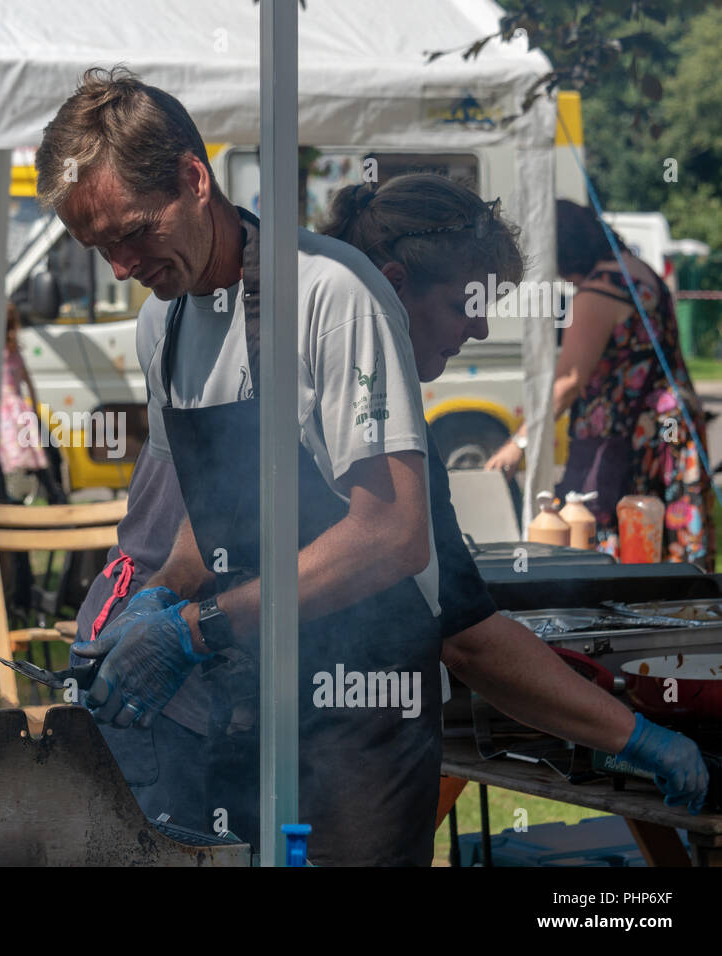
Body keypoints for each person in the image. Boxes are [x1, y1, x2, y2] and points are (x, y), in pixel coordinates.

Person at [38, 70, 709, 864]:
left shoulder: (329, 298)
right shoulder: (168, 323)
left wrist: (192, 626)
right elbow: (210, 517)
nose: (119, 265)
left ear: (194, 177)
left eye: (133, 232)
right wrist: (156, 608)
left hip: (334, 726)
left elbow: (404, 555)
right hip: (229, 726)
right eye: (99, 246)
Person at [485, 199, 715, 568]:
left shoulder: (597, 293)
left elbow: (569, 381)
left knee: (623, 542)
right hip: (671, 423)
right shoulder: (643, 273)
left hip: (632, 434)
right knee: (670, 546)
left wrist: (519, 442)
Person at [0, 302, 61, 503]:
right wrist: (33, 408)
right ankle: (48, 492)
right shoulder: (13, 351)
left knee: (13, 455)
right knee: (31, 454)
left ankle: (19, 495)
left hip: (6, 409)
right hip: (18, 406)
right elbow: (29, 383)